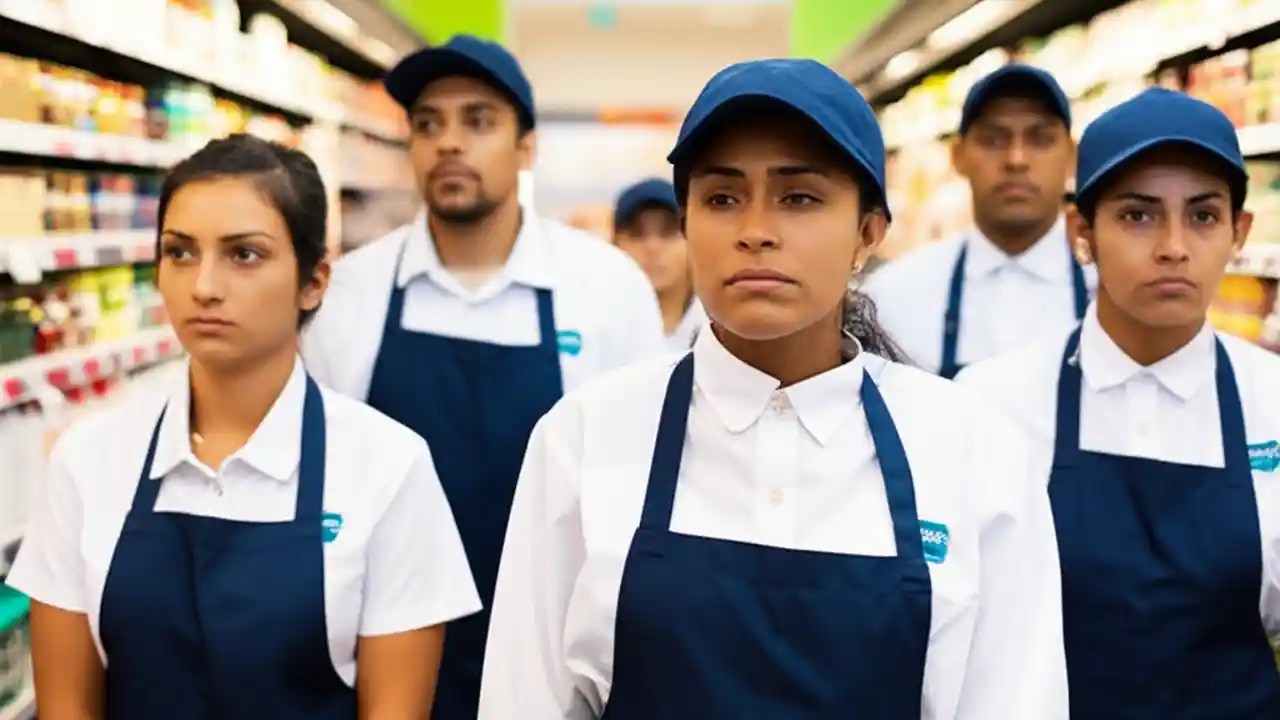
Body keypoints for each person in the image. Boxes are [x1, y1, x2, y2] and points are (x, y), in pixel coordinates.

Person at [478, 58, 1068, 719]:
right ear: (688, 223)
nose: (755, 230)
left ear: (867, 234)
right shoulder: (584, 438)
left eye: (800, 198)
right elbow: (522, 700)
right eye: (722, 198)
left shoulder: (972, 449)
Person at [6, 135, 480, 718]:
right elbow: (67, 710)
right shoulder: (90, 458)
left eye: (244, 254)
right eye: (179, 252)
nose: (204, 285)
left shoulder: (387, 468)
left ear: (314, 281)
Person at [300, 35, 666, 720]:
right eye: (428, 124)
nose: (448, 143)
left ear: (527, 148)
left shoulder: (605, 288)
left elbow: (638, 489)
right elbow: (323, 491)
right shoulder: (350, 295)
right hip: (379, 662)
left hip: (551, 663)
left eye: (478, 120)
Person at [957, 88, 1280, 717]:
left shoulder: (1273, 401)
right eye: (1138, 215)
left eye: (1203, 216)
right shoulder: (993, 401)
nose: (1173, 246)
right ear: (1082, 232)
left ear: (1239, 233)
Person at [863, 64, 1094, 377]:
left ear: (1071, 156)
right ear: (958, 157)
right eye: (993, 139)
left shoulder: (1114, 295)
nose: (1016, 160)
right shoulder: (891, 299)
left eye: (1040, 139)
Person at [612, 177, 706, 350]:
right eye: (636, 234)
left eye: (668, 232)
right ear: (615, 244)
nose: (652, 248)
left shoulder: (720, 326)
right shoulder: (599, 326)